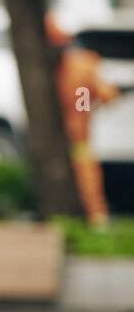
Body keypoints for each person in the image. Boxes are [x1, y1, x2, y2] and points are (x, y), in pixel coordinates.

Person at [47, 13, 119, 226]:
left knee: (84, 185)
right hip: (77, 140)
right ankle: (95, 222)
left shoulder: (60, 70)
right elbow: (107, 95)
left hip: (65, 142)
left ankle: (89, 222)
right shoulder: (86, 65)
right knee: (87, 186)